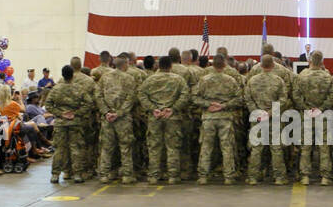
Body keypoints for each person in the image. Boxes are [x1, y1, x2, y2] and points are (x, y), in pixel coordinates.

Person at [191, 54, 243, 185]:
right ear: (225, 65)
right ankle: (228, 176)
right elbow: (239, 99)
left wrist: (208, 105)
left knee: (206, 147)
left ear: (212, 65)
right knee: (227, 147)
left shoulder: (204, 80)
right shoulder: (230, 80)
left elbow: (194, 98)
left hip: (208, 118)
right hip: (225, 117)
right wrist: (223, 105)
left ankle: (203, 176)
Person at [138, 56, 190, 185]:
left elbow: (141, 95)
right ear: (171, 66)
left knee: (154, 147)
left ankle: (154, 175)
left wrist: (152, 109)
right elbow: (185, 95)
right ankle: (173, 175)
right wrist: (173, 109)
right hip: (172, 117)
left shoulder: (150, 80)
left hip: (155, 117)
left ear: (158, 66)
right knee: (173, 147)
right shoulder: (178, 80)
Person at [243, 54, 290, 186]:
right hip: (274, 119)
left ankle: (253, 177)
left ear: (261, 66)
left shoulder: (252, 80)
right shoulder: (278, 80)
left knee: (256, 149)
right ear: (273, 65)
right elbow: (283, 99)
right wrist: (270, 113)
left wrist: (257, 112)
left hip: (257, 119)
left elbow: (247, 98)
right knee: (276, 149)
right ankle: (279, 177)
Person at [96, 52, 139, 184]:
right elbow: (130, 99)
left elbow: (98, 96)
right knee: (125, 147)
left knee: (107, 147)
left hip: (107, 119)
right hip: (123, 119)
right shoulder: (129, 79)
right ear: (125, 64)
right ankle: (127, 175)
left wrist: (106, 112)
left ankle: (104, 174)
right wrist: (119, 113)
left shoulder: (104, 78)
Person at [292, 51, 333, 185]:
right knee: (324, 147)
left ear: (309, 61)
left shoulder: (301, 76)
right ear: (322, 61)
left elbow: (296, 96)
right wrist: (321, 109)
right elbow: (332, 97)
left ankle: (305, 176)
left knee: (306, 146)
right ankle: (325, 177)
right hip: (323, 116)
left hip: (306, 116)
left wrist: (306, 109)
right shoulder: (328, 77)